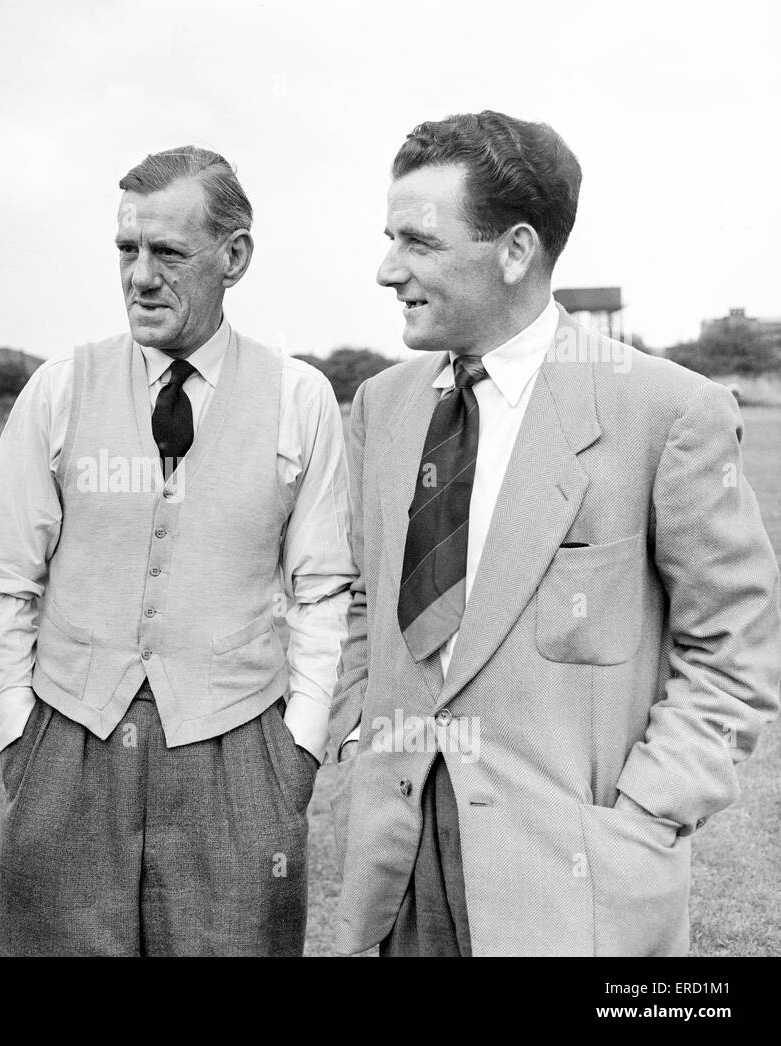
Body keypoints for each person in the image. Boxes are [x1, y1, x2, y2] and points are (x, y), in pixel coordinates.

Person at [328, 110, 781, 956]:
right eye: (389, 239)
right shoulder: (380, 408)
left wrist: (644, 817)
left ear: (515, 250)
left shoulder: (669, 412)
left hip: (576, 890)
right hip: (396, 874)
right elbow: (366, 599)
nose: (388, 270)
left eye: (419, 242)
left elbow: (734, 656)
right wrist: (360, 730)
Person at [0, 146, 352, 955]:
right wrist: (19, 740)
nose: (139, 277)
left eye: (168, 253)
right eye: (125, 250)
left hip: (239, 748)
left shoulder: (298, 397)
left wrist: (297, 754)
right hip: (67, 740)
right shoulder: (61, 387)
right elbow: (2, 580)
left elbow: (322, 594)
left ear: (234, 256)